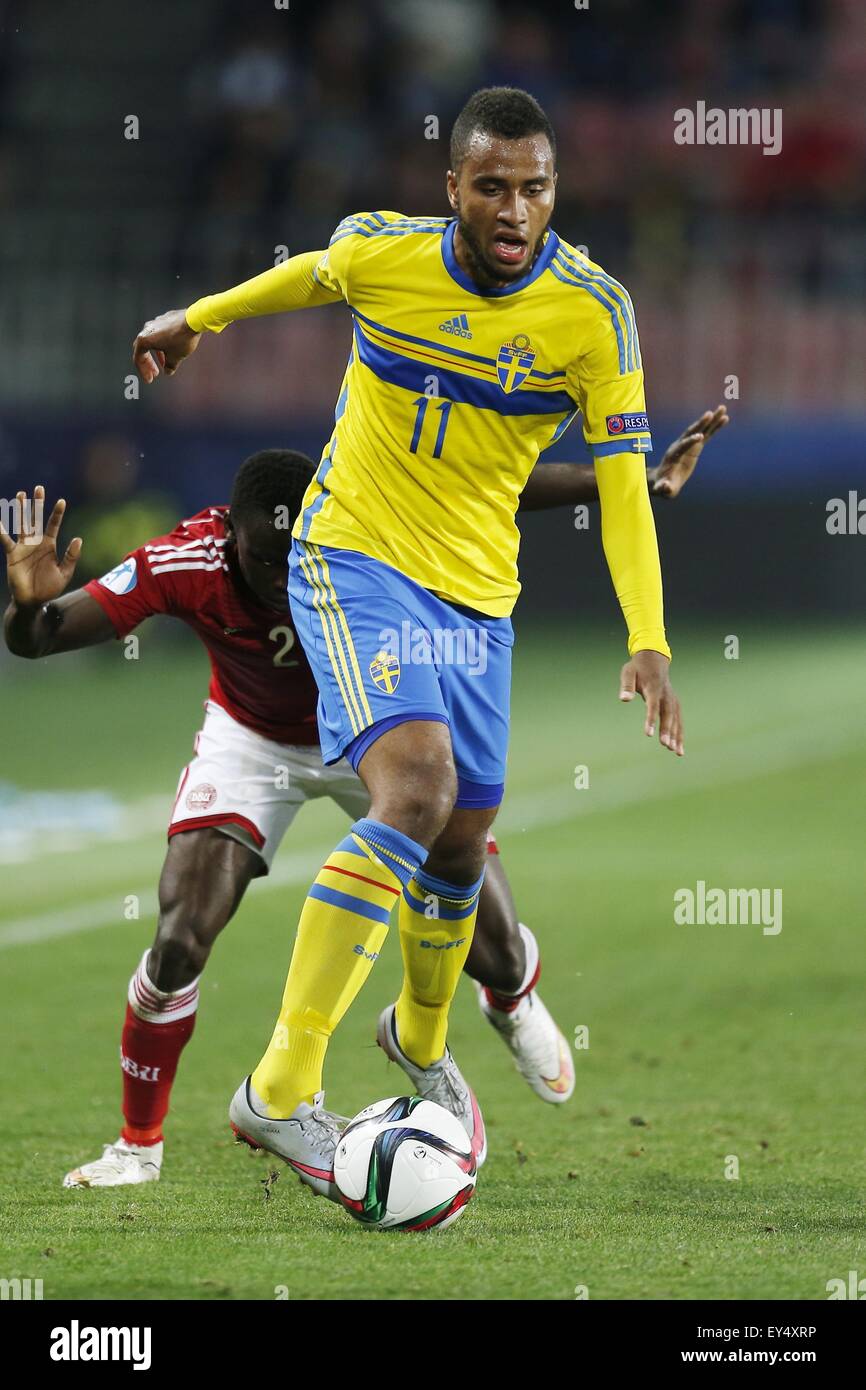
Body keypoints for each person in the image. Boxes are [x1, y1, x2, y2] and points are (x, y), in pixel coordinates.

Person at [131, 86, 691, 1198]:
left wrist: (649, 639)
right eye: (489, 186)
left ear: (553, 192)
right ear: (452, 190)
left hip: (478, 597)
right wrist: (200, 316)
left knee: (459, 844)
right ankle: (279, 1088)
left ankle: (422, 1044)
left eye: (533, 188)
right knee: (417, 787)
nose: (512, 209)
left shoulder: (593, 313)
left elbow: (623, 484)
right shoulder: (384, 254)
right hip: (354, 558)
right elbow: (309, 275)